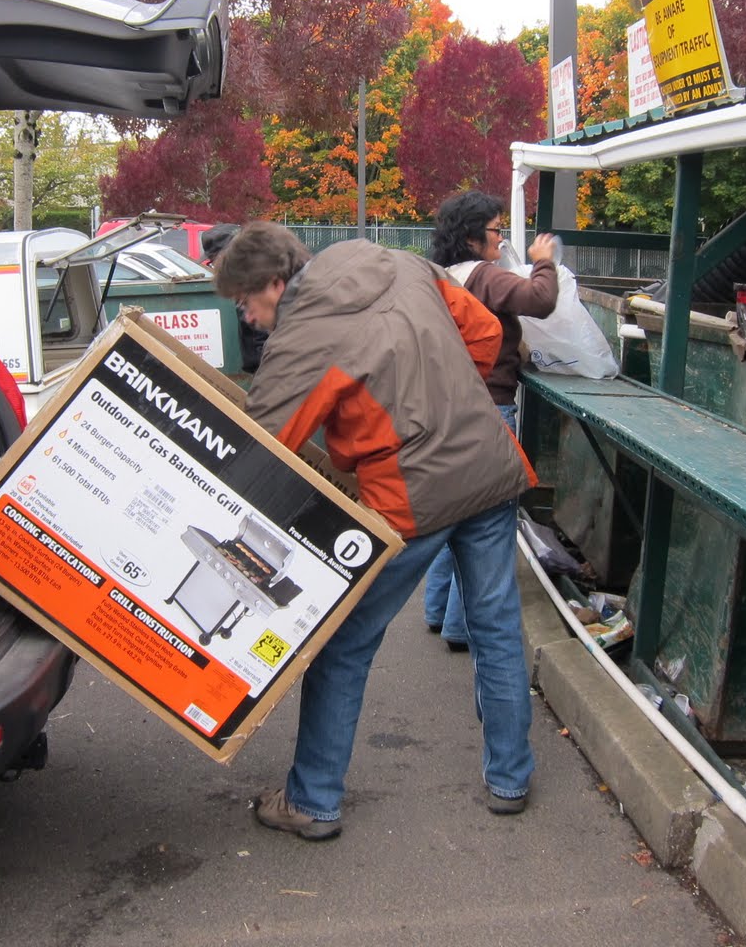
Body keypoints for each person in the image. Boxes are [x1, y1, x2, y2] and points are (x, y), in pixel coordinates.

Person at [213, 221, 537, 838]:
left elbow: (260, 448)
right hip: (489, 465)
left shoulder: (301, 336)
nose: (247, 318)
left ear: (275, 284)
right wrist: (445, 402)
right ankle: (510, 779)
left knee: (344, 644)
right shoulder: (399, 262)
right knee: (496, 627)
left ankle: (312, 801)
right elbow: (486, 333)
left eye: (246, 302)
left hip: (411, 494)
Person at [422, 192, 559, 651]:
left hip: (445, 409)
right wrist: (544, 261)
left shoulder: (440, 276)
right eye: (497, 230)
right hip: (489, 412)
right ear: (472, 238)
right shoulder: (485, 276)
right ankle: (461, 629)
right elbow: (540, 300)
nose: (501, 239)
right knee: (483, 527)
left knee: (451, 515)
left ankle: (436, 611)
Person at [199, 222, 268, 373]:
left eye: (214, 262)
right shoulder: (259, 275)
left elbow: (266, 338)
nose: (215, 268)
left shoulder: (256, 283)